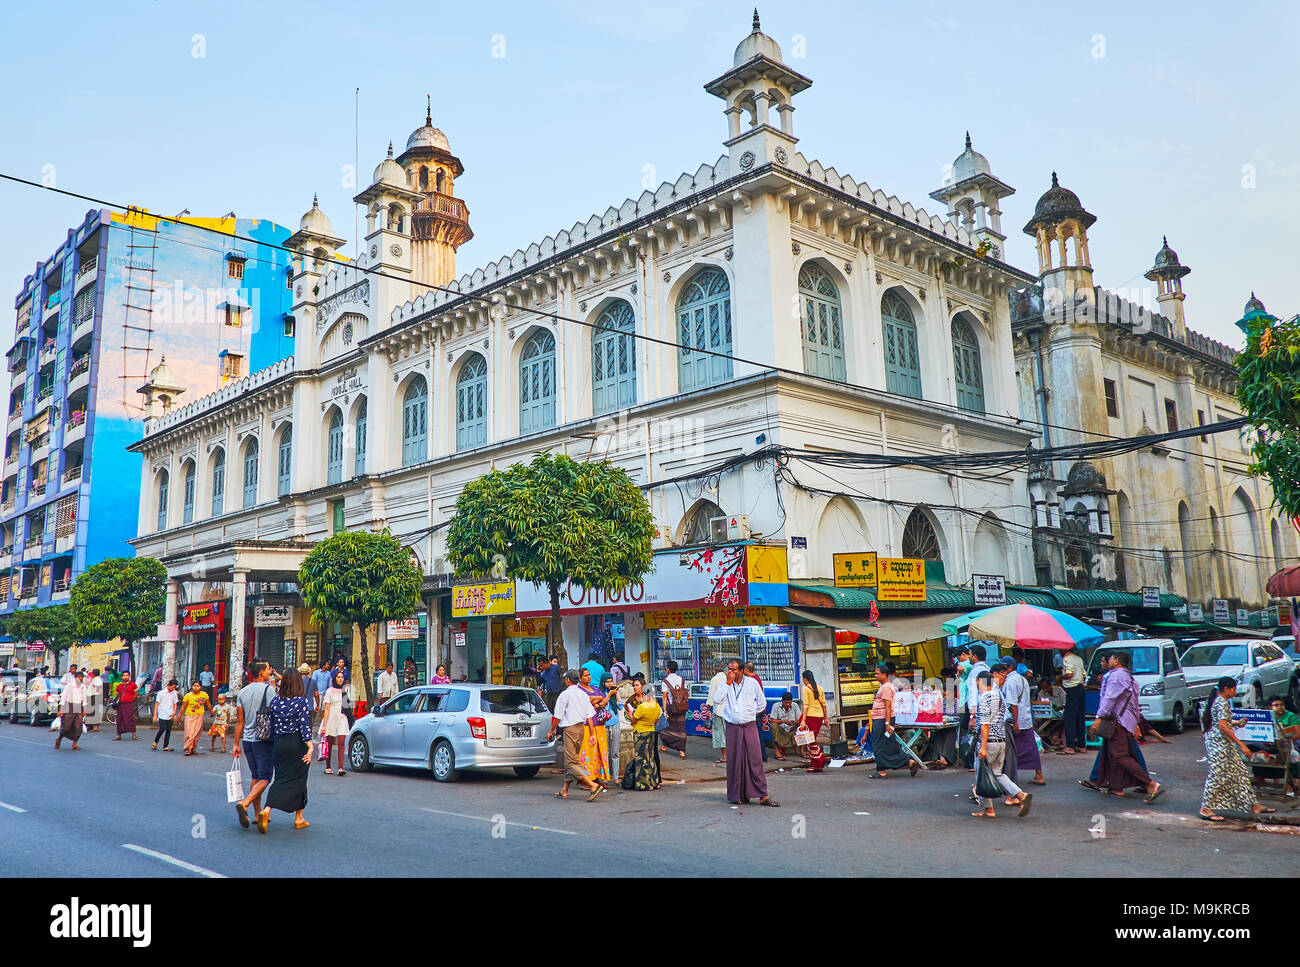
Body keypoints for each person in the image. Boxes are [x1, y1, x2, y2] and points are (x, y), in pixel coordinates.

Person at [1089, 651, 1164, 803]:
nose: (1108, 661)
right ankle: (1117, 787)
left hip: (1117, 722)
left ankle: (1150, 784)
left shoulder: (1116, 676)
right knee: (1113, 754)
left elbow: (1109, 698)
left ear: (1117, 661)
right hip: (1126, 721)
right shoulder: (1130, 678)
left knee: (1119, 755)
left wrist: (1099, 717)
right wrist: (1135, 722)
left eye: (1110, 659)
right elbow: (1135, 703)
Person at [713, 659, 778, 806]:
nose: (730, 672)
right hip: (732, 726)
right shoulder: (725, 683)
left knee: (754, 759)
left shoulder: (752, 683)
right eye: (729, 669)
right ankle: (739, 795)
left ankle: (763, 795)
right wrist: (728, 683)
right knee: (735, 761)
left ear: (741, 671)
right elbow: (717, 700)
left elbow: (762, 703)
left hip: (749, 725)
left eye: (734, 670)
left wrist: (749, 714)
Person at [258, 668, 314, 832]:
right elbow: (304, 726)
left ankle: (266, 810)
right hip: (296, 743)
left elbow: (273, 726)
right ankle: (299, 817)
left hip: (279, 743)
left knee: (280, 778)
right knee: (300, 779)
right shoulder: (301, 702)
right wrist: (310, 747)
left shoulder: (275, 701)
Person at [971, 668, 1031, 818]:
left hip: (988, 742)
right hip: (1001, 741)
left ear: (979, 682)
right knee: (997, 774)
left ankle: (988, 809)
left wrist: (983, 747)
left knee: (982, 774)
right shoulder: (998, 696)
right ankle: (1021, 795)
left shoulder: (985, 698)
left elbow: (985, 724)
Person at [546, 669, 605, 801]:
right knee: (572, 759)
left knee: (571, 762)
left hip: (570, 729)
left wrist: (551, 731)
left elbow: (557, 716)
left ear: (568, 680)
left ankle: (592, 785)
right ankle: (565, 790)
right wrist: (591, 733)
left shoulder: (565, 695)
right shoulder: (583, 694)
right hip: (581, 729)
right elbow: (590, 715)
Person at [232, 660, 276, 829]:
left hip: (247, 740)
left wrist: (236, 743)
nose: (270, 671)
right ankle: (245, 803)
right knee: (265, 778)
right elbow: (274, 712)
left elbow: (240, 721)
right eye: (267, 669)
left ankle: (258, 815)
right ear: (261, 673)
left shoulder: (242, 692)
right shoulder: (269, 690)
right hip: (263, 740)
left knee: (255, 777)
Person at [870, 664, 919, 778]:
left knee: (879, 745)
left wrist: (887, 723)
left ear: (884, 675)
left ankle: (881, 770)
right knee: (887, 745)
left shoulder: (886, 687)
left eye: (877, 673)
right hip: (881, 719)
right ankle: (909, 762)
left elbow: (888, 706)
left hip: (883, 720)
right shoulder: (884, 686)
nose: (875, 676)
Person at [1001, 658, 1044, 786]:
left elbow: (1013, 704)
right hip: (1025, 718)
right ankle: (1039, 774)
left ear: (1009, 668)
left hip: (1016, 720)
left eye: (1003, 666)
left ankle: (1007, 777)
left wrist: (1015, 722)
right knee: (1030, 747)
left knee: (1009, 749)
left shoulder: (1010, 682)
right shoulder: (1022, 679)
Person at [576, 668, 612, 788]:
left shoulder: (595, 688)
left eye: (589, 675)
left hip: (599, 723)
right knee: (587, 752)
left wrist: (596, 701)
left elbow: (604, 701)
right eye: (585, 676)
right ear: (580, 678)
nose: (589, 677)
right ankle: (586, 780)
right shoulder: (579, 690)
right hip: (586, 725)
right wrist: (596, 700)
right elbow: (585, 701)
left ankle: (597, 778)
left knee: (600, 751)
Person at [625, 678, 663, 790]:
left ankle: (643, 784)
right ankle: (653, 781)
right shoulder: (656, 706)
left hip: (640, 733)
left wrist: (631, 712)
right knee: (650, 758)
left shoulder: (642, 707)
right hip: (651, 731)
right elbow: (656, 720)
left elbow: (633, 720)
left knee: (641, 758)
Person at [963, 644, 991, 769]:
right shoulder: (988, 669)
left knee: (976, 737)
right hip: (987, 708)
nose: (968, 656)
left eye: (969, 654)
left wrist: (972, 715)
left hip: (978, 710)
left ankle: (975, 763)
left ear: (974, 656)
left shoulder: (975, 672)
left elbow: (973, 693)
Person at [320, 670, 351, 776]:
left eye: (342, 677)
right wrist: (324, 725)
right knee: (329, 743)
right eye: (338, 677)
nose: (340, 679)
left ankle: (340, 768)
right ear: (334, 678)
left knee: (341, 742)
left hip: (342, 717)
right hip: (331, 717)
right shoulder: (329, 691)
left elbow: (349, 706)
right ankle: (328, 767)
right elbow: (327, 709)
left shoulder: (346, 690)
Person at [659, 660, 689, 759]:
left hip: (671, 707)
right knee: (681, 728)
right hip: (681, 707)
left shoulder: (665, 681)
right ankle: (682, 751)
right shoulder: (681, 679)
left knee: (667, 727)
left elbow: (664, 696)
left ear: (668, 669)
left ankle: (664, 746)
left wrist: (664, 710)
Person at [1059, 644, 1086, 754]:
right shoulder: (1078, 659)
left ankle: (1070, 746)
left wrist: (1060, 676)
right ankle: (1081, 745)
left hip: (1072, 689)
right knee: (1080, 716)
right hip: (1080, 688)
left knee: (1069, 717)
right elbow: (1084, 675)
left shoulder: (1066, 659)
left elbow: (1069, 674)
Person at [55, 669, 87, 751]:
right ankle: (60, 738)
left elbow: (84, 699)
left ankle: (74, 744)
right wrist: (60, 710)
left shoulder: (83, 687)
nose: (80, 678)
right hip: (69, 706)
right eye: (78, 677)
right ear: (75, 678)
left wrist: (85, 710)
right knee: (66, 726)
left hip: (79, 707)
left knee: (78, 726)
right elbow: (63, 698)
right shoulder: (69, 686)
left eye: (81, 677)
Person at [179, 680, 212, 756]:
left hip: (199, 715)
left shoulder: (204, 695)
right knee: (189, 733)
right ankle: (188, 747)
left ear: (200, 687)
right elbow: (183, 707)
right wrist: (179, 716)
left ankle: (192, 748)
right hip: (189, 715)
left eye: (197, 686)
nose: (195, 687)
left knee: (196, 733)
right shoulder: (188, 695)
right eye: (194, 686)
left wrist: (212, 712)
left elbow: (208, 704)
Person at [798, 670, 826, 758]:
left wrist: (803, 720)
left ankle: (819, 760)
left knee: (811, 741)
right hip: (820, 717)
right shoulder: (820, 688)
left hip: (810, 717)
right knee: (812, 739)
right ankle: (816, 762)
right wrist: (826, 718)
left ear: (805, 679)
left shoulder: (806, 689)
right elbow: (824, 705)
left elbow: (806, 706)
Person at [600, 673, 622, 780]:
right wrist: (609, 694)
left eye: (611, 681)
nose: (609, 684)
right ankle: (606, 776)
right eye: (607, 682)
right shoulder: (600, 693)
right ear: (603, 682)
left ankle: (616, 777)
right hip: (604, 724)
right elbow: (602, 704)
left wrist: (616, 693)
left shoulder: (615, 693)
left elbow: (620, 706)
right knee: (606, 752)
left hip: (615, 723)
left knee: (615, 752)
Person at [705, 662, 728, 763]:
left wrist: (707, 710)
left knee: (720, 733)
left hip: (719, 710)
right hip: (729, 711)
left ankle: (724, 756)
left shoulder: (715, 679)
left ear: (715, 670)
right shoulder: (728, 678)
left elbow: (711, 696)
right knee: (729, 733)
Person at [768, 691, 801, 760]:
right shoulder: (776, 706)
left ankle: (802, 751)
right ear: (782, 701)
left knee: (803, 726)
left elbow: (799, 720)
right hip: (781, 730)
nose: (788, 704)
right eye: (786, 702)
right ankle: (777, 752)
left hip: (792, 730)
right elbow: (771, 720)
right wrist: (782, 721)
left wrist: (793, 722)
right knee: (773, 726)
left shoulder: (795, 706)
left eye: (789, 702)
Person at [152, 679, 180, 751]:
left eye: (174, 687)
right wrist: (155, 715)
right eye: (172, 687)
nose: (173, 689)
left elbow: (175, 704)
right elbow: (157, 704)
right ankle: (155, 742)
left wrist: (174, 712)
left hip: (170, 714)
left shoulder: (174, 694)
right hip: (162, 713)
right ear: (168, 685)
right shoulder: (161, 693)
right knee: (162, 729)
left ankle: (165, 746)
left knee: (168, 730)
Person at [113, 676, 139, 741]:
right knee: (119, 719)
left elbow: (136, 693)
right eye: (124, 675)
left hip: (128, 704)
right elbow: (117, 694)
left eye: (127, 675)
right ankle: (119, 735)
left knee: (130, 718)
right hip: (120, 704)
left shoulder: (133, 685)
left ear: (129, 676)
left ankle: (133, 735)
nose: (126, 677)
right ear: (122, 677)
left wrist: (131, 699)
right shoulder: (119, 686)